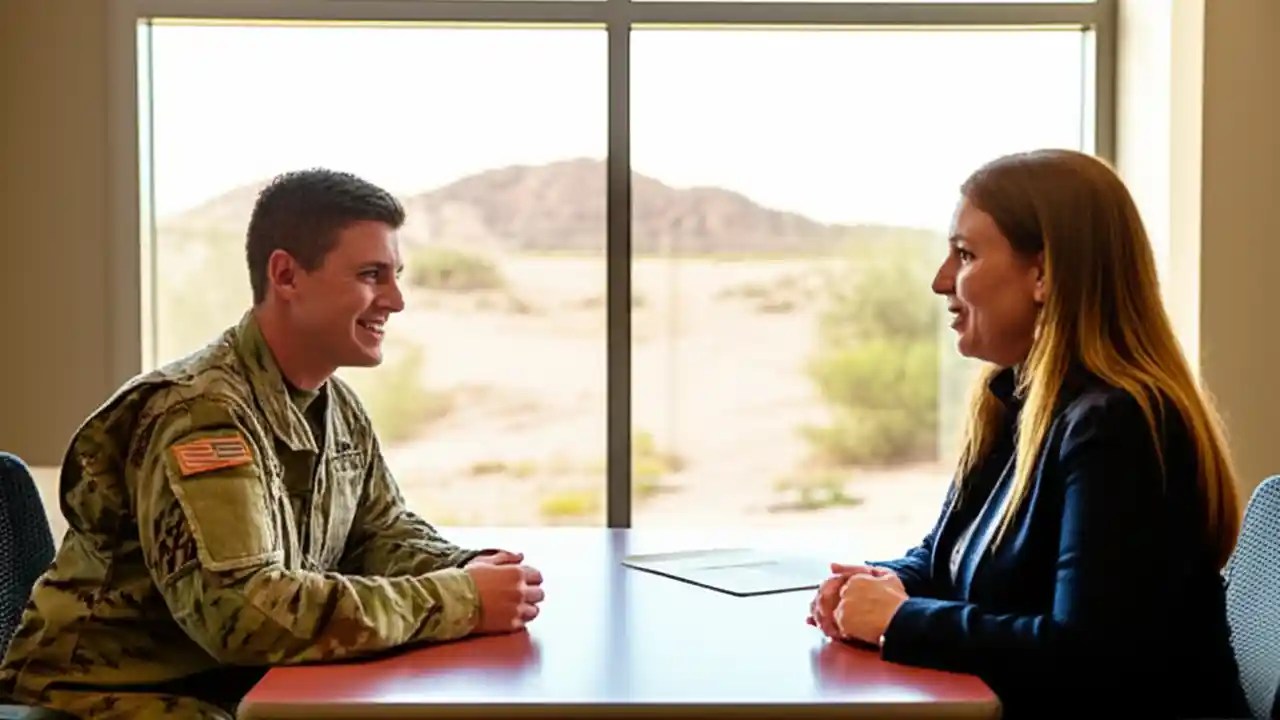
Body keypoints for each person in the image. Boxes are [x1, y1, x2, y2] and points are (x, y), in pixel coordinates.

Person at [0, 169, 545, 719]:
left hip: (229, 686)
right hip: (95, 703)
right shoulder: (200, 416)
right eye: (371, 275)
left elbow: (377, 534)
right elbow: (248, 616)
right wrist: (461, 599)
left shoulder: (335, 405)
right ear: (286, 275)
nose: (396, 300)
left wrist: (472, 568)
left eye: (395, 275)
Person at [807, 149, 1250, 719]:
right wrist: (877, 585)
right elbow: (950, 558)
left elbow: (1084, 656)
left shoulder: (1120, 424)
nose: (941, 280)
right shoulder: (1013, 398)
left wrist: (898, 619)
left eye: (965, 254)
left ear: (1044, 274)